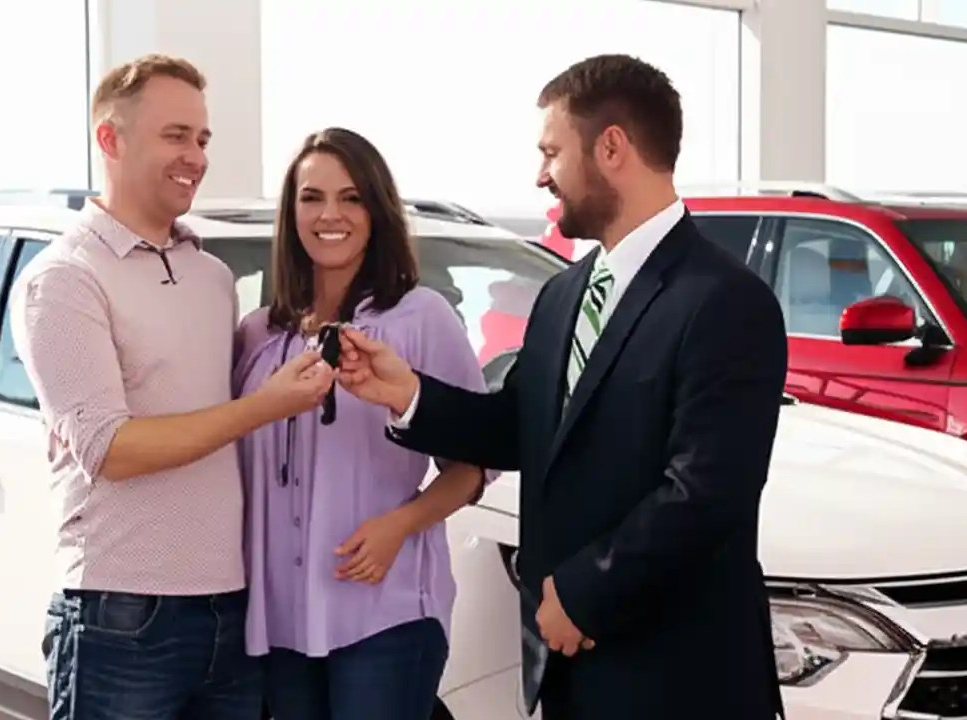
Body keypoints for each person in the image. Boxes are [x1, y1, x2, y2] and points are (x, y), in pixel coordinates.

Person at [336, 54, 788, 720]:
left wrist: (580, 594)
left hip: (678, 677)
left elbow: (706, 493)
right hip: (571, 671)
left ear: (611, 148)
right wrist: (406, 393)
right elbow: (519, 428)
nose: (540, 174)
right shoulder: (562, 296)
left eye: (551, 151)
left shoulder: (725, 301)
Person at [11, 54, 335, 720]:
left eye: (202, 138)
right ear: (111, 139)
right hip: (120, 615)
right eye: (175, 135)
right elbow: (110, 449)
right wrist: (261, 408)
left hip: (231, 611)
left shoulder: (212, 277)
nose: (195, 155)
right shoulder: (66, 278)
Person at [232, 127, 493, 720]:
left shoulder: (420, 319)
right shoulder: (258, 334)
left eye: (352, 198)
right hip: (279, 623)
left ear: (376, 210)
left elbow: (475, 467)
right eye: (312, 197)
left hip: (387, 614)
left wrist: (400, 526)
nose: (331, 214)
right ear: (290, 211)